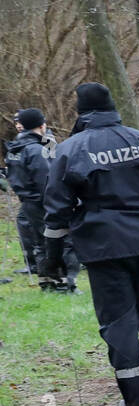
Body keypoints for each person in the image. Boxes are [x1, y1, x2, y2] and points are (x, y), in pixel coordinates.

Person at [42, 83, 139, 406]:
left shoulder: (70, 150)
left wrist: (52, 258)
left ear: (80, 112)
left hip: (103, 247)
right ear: (113, 107)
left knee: (118, 319)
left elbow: (56, 210)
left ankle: (135, 399)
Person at [5, 108, 79, 290]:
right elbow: (46, 181)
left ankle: (46, 282)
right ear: (41, 125)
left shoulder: (15, 147)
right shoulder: (37, 150)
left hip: (28, 201)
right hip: (43, 202)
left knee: (40, 242)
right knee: (59, 241)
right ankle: (63, 283)